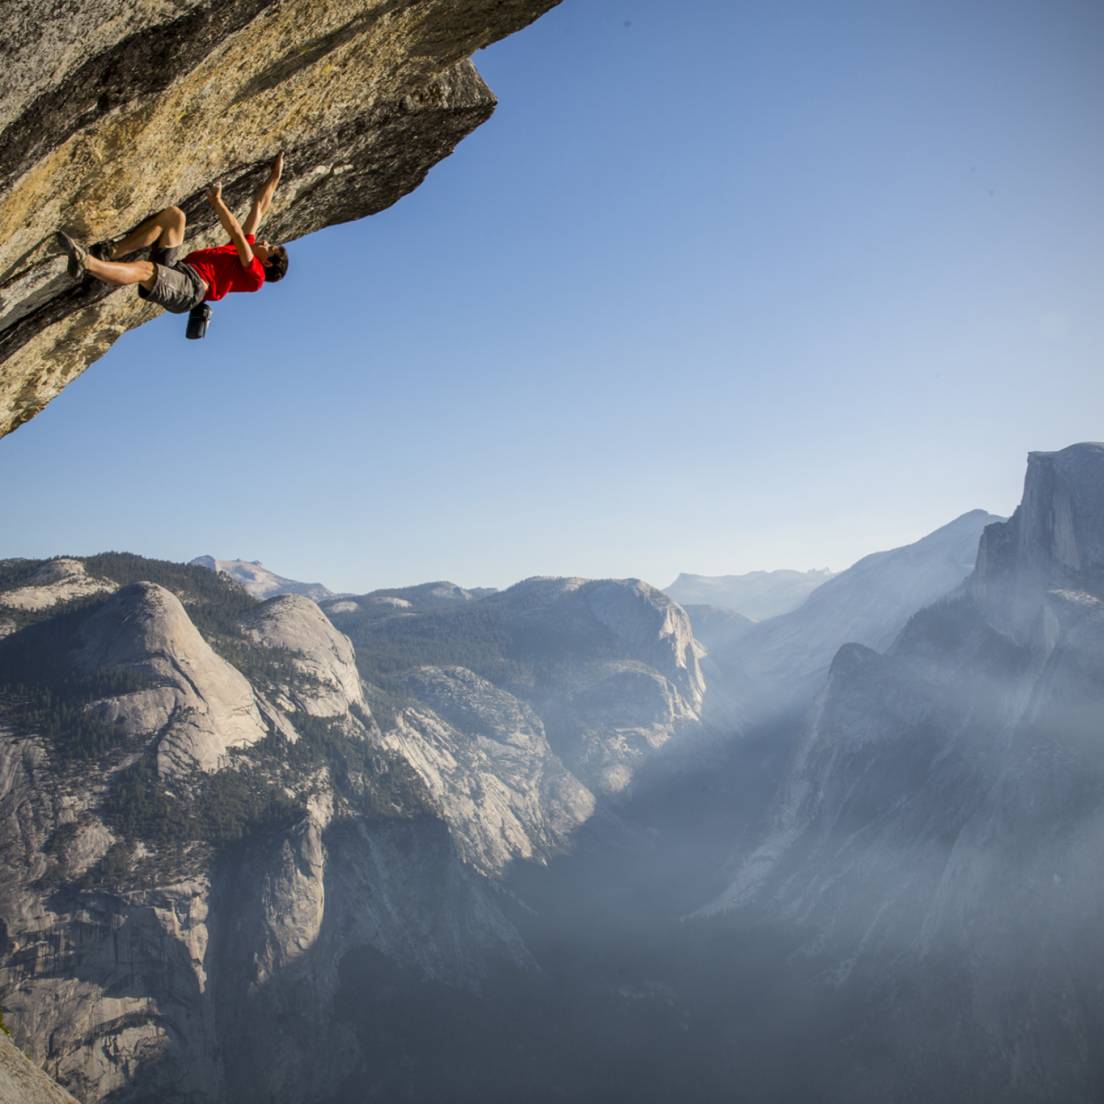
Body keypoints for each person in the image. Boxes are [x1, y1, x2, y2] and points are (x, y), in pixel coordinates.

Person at [56, 152, 288, 314]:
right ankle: (110, 252)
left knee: (146, 270)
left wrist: (217, 202)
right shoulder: (241, 251)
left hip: (190, 289)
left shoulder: (256, 275)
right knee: (174, 217)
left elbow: (237, 233)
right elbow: (259, 208)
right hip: (180, 268)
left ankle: (85, 262)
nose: (266, 242)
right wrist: (275, 176)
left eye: (270, 247)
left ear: (267, 262)